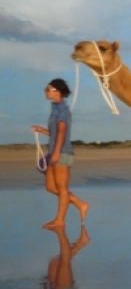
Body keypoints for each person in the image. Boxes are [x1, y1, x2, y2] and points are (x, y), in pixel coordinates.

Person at [32, 79, 89, 229]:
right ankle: (80, 203)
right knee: (50, 187)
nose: (46, 91)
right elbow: (55, 132)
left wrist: (56, 153)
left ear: (58, 91)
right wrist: (41, 130)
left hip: (62, 153)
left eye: (49, 88)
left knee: (62, 188)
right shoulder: (55, 108)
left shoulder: (62, 109)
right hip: (54, 152)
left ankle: (60, 220)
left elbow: (62, 132)